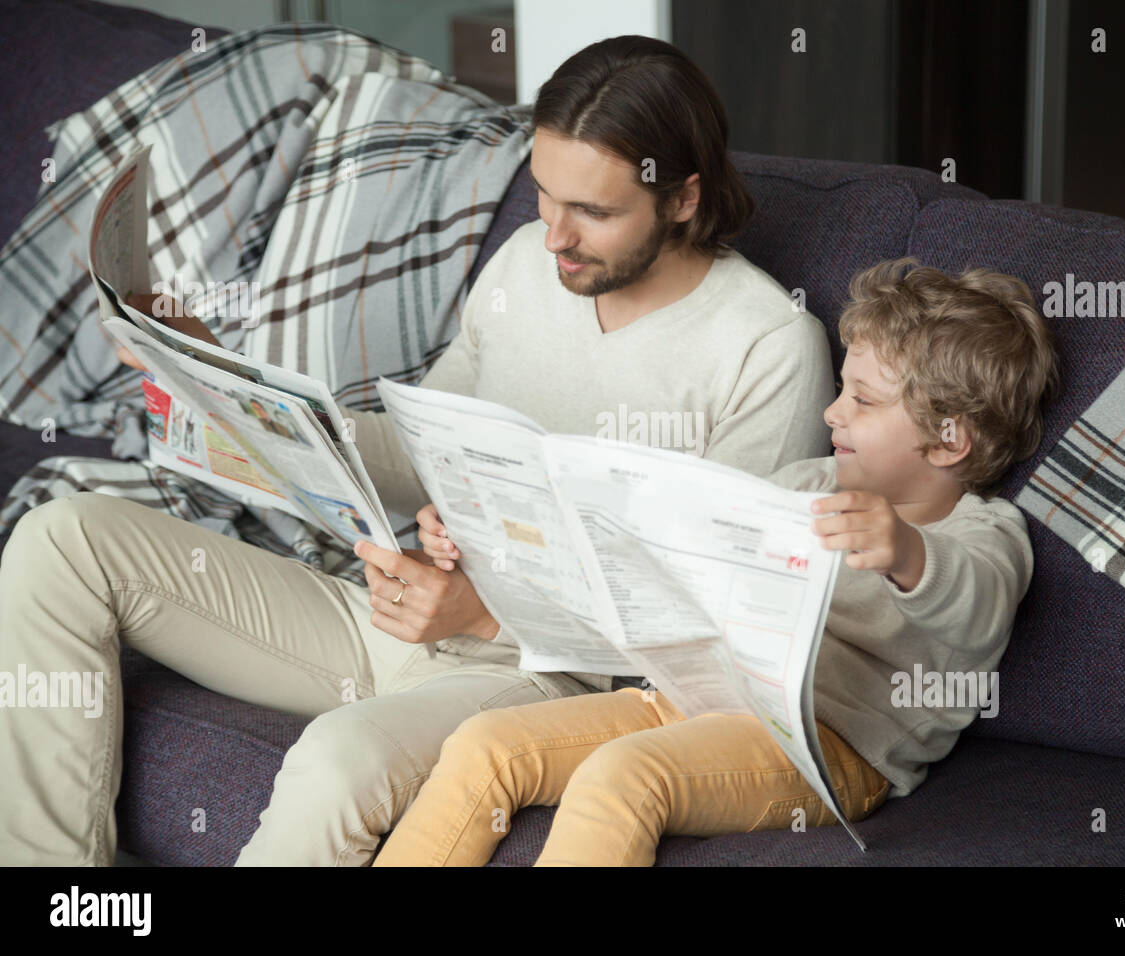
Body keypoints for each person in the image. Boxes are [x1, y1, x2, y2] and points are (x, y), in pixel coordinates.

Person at [0, 36, 834, 866]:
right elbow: (415, 449)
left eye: (595, 213)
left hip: (541, 681)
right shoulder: (525, 269)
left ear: (683, 198)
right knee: (61, 540)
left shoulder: (766, 347)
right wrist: (216, 375)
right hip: (390, 612)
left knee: (336, 762)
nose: (555, 238)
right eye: (545, 196)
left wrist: (482, 612)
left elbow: (718, 622)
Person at [369, 257, 1061, 866]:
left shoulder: (984, 535)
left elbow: (971, 604)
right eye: (843, 389)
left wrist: (906, 552)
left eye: (863, 400)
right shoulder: (804, 486)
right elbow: (669, 581)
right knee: (484, 745)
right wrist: (491, 542)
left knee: (623, 776)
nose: (832, 412)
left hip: (828, 748)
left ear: (948, 442)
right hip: (692, 697)